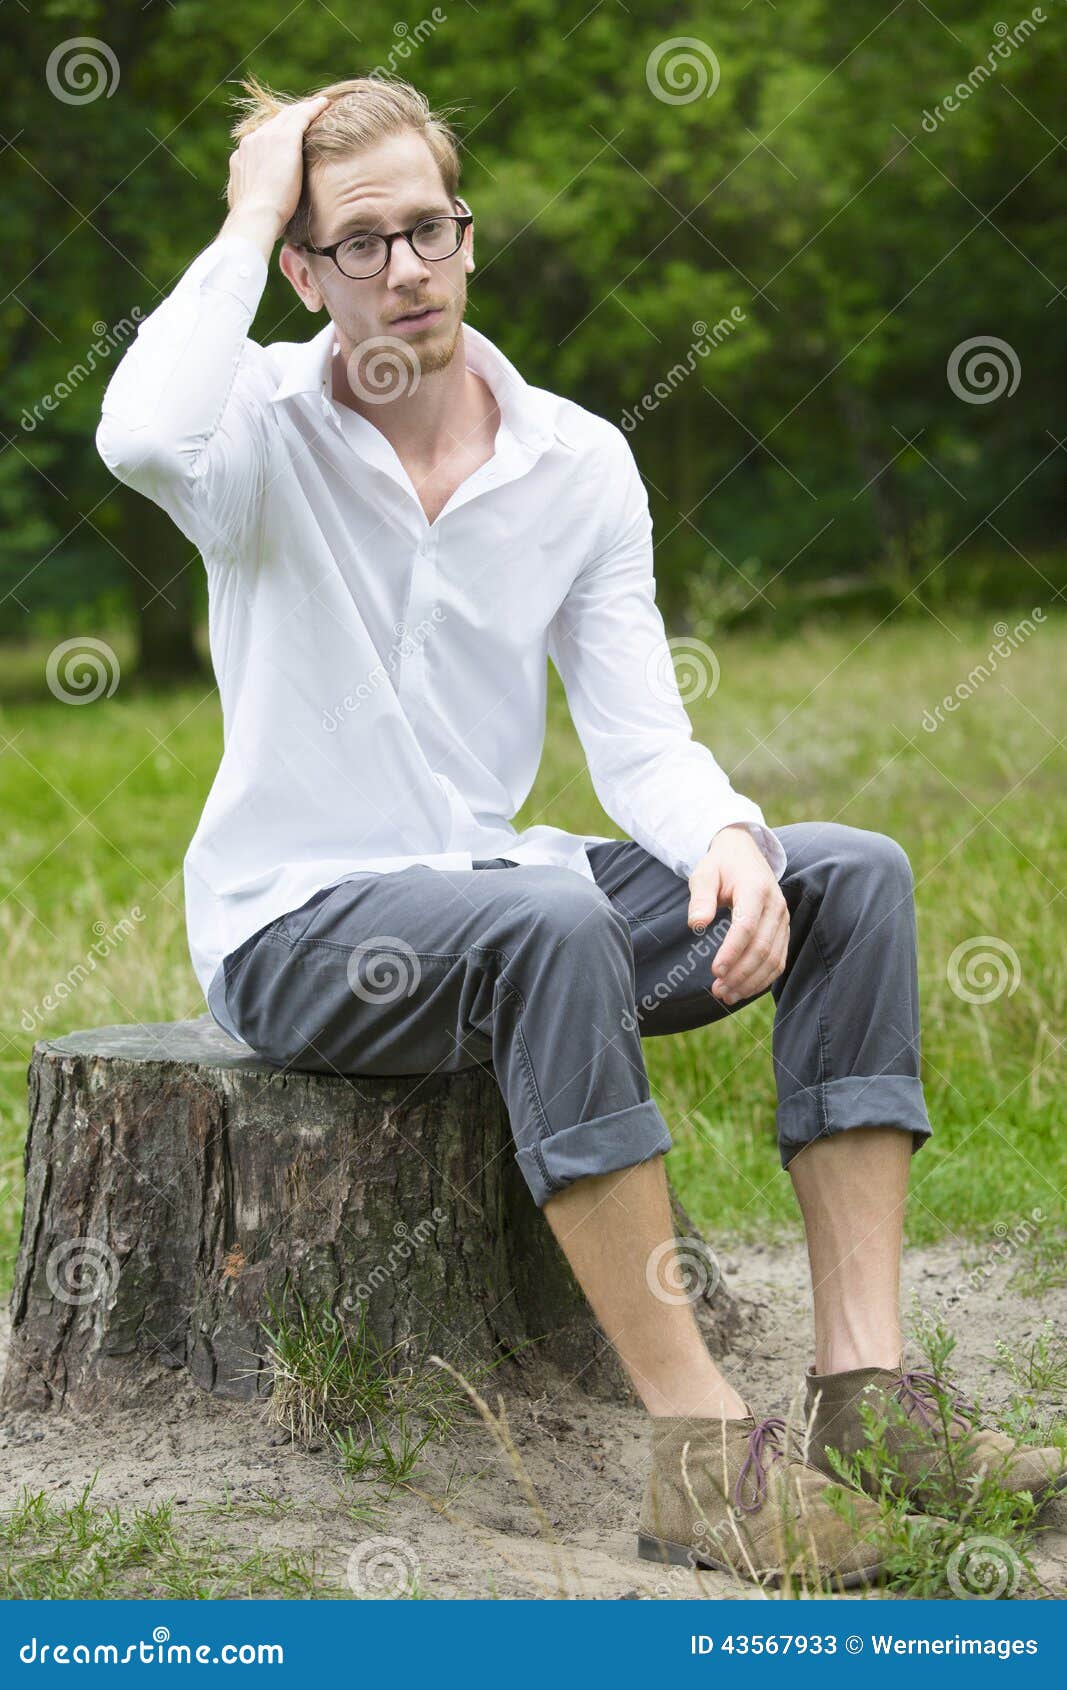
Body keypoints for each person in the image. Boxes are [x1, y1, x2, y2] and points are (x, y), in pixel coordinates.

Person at [94, 74, 1065, 1588]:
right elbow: (134, 434)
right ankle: (704, 1456)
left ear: (468, 239)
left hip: (497, 881)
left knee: (850, 875)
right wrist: (248, 195)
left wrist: (726, 833)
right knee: (543, 927)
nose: (405, 268)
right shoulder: (254, 431)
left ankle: (871, 1404)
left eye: (429, 228)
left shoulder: (576, 458)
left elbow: (639, 739)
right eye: (358, 242)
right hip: (302, 927)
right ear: (300, 267)